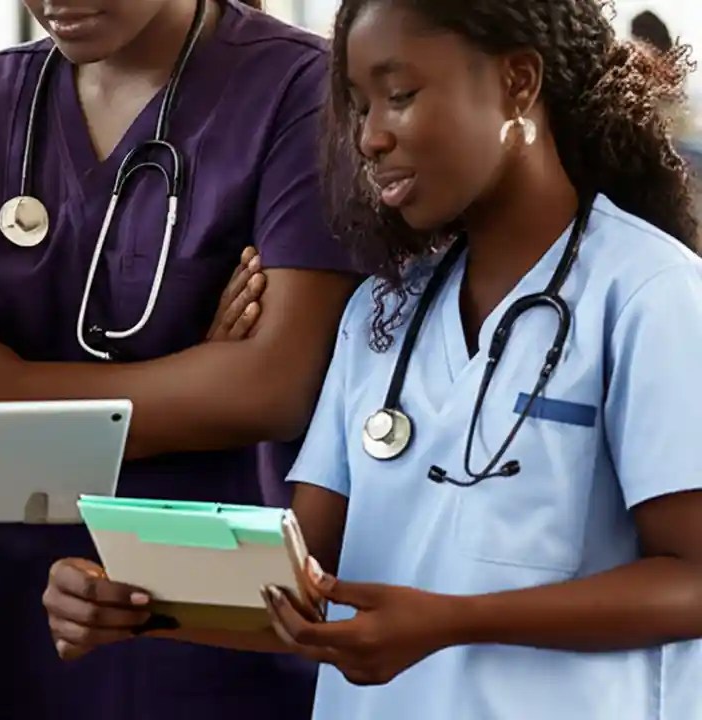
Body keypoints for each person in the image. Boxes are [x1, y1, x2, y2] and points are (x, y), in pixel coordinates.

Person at [42, 1, 702, 718]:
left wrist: (452, 622)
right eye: (358, 108)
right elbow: (304, 589)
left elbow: (693, 579)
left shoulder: (648, 295)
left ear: (518, 82)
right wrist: (130, 603)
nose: (371, 136)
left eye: (401, 95)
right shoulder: (381, 315)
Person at [0, 0, 361, 717]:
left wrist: (13, 385)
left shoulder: (298, 89)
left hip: (219, 636)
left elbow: (271, 390)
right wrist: (192, 382)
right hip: (18, 634)